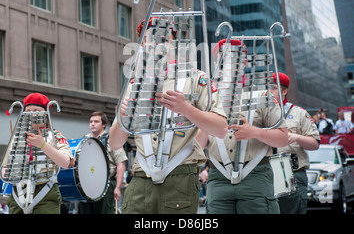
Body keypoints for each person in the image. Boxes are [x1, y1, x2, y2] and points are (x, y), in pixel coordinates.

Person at [109, 18, 227, 214]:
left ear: (174, 43)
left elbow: (221, 129)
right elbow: (114, 143)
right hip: (140, 177)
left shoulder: (196, 78)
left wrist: (186, 109)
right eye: (149, 40)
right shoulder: (133, 85)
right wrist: (123, 119)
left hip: (179, 177)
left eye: (163, 39)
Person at [197, 39, 288, 214]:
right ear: (217, 63)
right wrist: (206, 121)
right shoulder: (207, 99)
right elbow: (198, 147)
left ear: (244, 62)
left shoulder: (263, 95)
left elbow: (283, 139)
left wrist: (254, 132)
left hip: (255, 176)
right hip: (218, 177)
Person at [5, 93, 74, 214]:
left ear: (46, 114)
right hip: (18, 191)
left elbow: (65, 162)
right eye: (28, 110)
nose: (32, 114)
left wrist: (42, 144)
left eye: (36, 110)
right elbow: (5, 167)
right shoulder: (17, 137)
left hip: (45, 190)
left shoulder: (55, 136)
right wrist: (8, 173)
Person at [270, 73, 320, 214]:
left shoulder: (298, 113)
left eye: (273, 88)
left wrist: (296, 137)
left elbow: (315, 143)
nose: (268, 91)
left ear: (284, 91)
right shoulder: (258, 114)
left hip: (292, 173)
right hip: (265, 174)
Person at [79, 111, 127, 214]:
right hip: (86, 185)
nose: (92, 124)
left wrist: (118, 187)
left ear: (104, 125)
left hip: (107, 184)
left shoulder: (112, 140)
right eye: (91, 121)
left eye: (96, 121)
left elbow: (121, 164)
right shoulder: (84, 140)